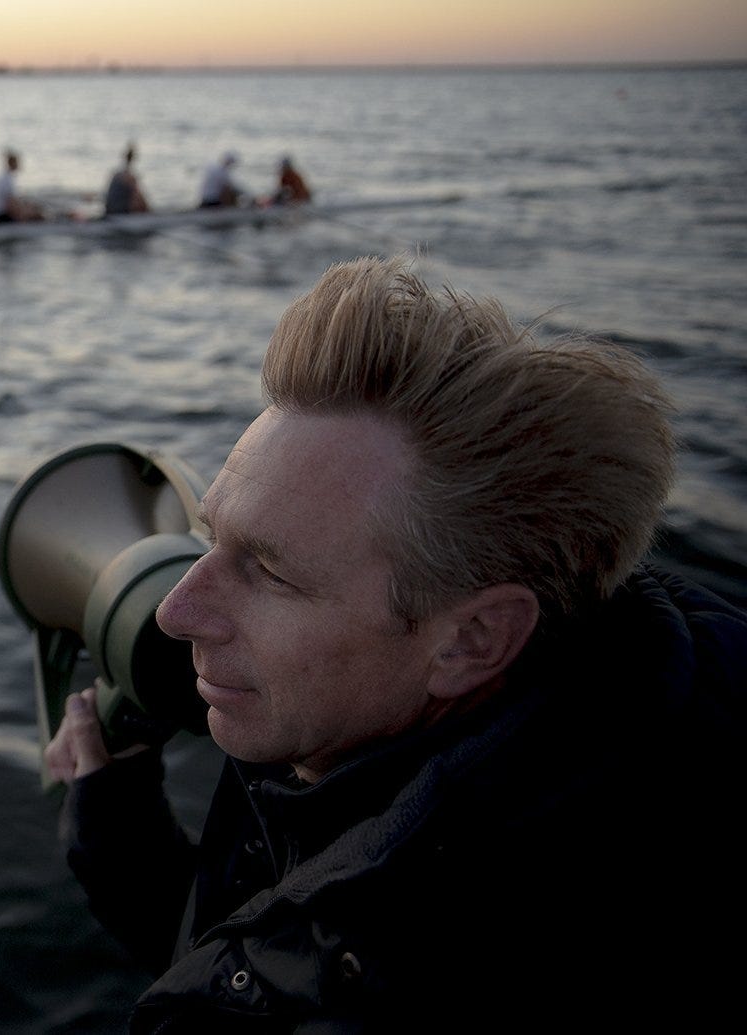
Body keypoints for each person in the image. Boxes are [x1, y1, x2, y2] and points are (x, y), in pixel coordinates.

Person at [43, 255, 746, 1031]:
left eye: (270, 572)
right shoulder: (358, 711)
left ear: (472, 639)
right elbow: (271, 951)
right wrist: (118, 825)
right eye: (212, 537)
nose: (178, 611)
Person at [0, 150, 44, 224]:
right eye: (17, 162)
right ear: (12, 163)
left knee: (29, 206)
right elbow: (10, 203)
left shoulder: (0, 177)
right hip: (2, 216)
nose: (19, 165)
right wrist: (23, 214)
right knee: (34, 212)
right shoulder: (8, 180)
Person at [103, 143, 149, 216]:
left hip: (110, 211)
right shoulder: (129, 177)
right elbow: (139, 198)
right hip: (119, 213)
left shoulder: (116, 174)